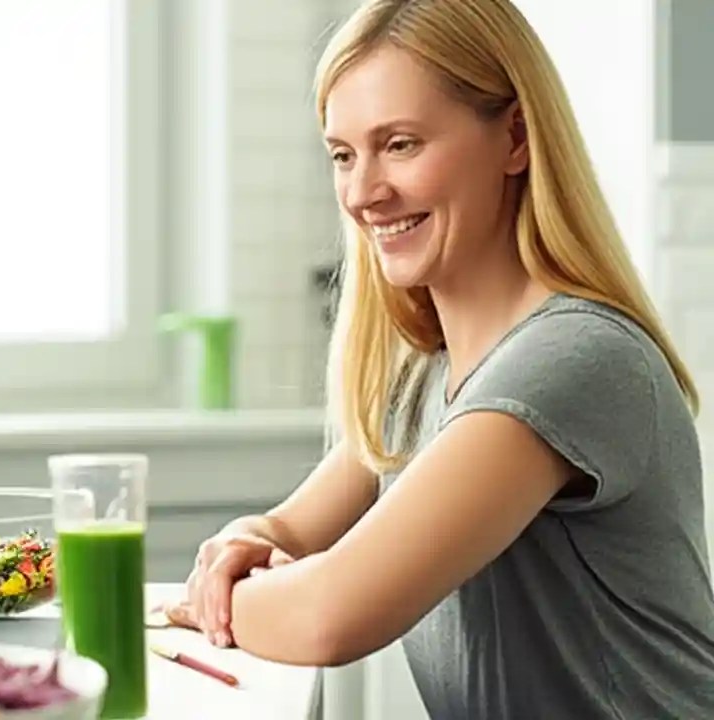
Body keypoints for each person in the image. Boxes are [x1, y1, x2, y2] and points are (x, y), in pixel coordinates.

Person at [165, 0, 714, 717]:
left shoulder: (573, 363)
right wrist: (244, 541)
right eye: (343, 154)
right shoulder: (426, 376)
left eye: (401, 145)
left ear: (515, 138)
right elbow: (288, 531)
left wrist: (222, 596)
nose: (363, 193)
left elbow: (330, 614)